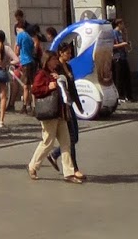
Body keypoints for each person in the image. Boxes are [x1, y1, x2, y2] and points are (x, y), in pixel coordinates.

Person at [28, 48, 82, 182]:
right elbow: (35, 90)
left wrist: (59, 80)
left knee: (66, 142)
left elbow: (65, 88)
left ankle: (69, 173)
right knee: (48, 142)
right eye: (53, 60)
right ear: (47, 61)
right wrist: (49, 87)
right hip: (49, 113)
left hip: (60, 112)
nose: (55, 62)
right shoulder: (42, 73)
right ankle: (33, 166)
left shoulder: (55, 73)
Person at [47, 38, 84, 175]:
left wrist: (78, 104)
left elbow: (72, 88)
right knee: (71, 137)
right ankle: (74, 169)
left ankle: (54, 154)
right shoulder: (56, 68)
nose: (69, 55)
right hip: (62, 106)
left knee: (75, 137)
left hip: (70, 105)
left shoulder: (69, 67)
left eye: (70, 53)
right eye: (67, 53)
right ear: (60, 53)